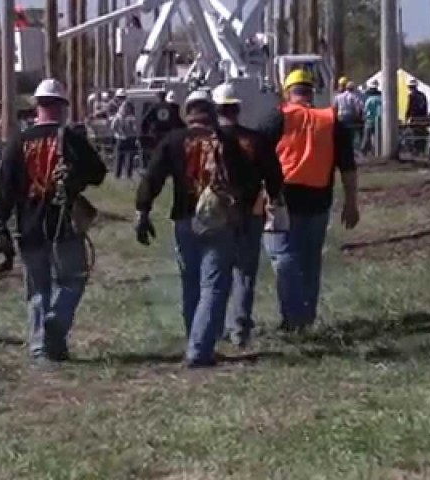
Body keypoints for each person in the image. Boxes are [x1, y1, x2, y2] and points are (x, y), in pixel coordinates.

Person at [135, 89, 253, 368]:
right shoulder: (226, 141)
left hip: (184, 219)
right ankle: (200, 349)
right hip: (218, 220)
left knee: (191, 284)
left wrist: (143, 211)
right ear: (211, 112)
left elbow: (152, 178)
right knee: (213, 286)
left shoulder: (173, 140)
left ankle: (196, 340)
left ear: (187, 113)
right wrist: (241, 211)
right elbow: (247, 180)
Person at [0, 78, 107, 364]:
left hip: (29, 226)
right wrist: (76, 178)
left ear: (37, 106)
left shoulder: (19, 142)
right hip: (64, 225)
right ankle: (56, 320)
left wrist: (0, 220)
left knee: (38, 289)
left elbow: (5, 187)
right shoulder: (71, 138)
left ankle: (41, 349)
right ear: (62, 107)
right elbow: (99, 173)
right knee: (73, 279)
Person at [259, 69, 360, 332]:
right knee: (310, 261)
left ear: (287, 92)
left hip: (282, 200)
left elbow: (255, 154)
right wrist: (351, 202)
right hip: (318, 201)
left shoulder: (278, 117)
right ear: (311, 92)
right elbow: (348, 167)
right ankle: (306, 318)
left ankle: (294, 319)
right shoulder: (331, 120)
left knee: (283, 257)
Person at [211, 83, 284, 348]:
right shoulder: (255, 140)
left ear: (216, 109)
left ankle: (213, 327)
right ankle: (239, 329)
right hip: (250, 212)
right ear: (238, 108)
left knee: (216, 273)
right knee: (244, 272)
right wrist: (275, 199)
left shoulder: (209, 140)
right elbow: (273, 175)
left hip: (217, 215)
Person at [140, 90, 185, 168]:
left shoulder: (155, 107)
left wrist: (144, 131)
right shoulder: (176, 108)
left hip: (157, 134)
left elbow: (146, 120)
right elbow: (181, 122)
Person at [110, 92, 140, 179]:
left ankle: (120, 174)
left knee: (122, 157)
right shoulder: (129, 117)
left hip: (122, 138)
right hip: (127, 138)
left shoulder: (119, 117)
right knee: (126, 156)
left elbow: (113, 127)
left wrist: (118, 132)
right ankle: (126, 174)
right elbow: (135, 129)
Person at [405, 78, 430, 156]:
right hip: (423, 118)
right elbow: (425, 108)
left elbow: (409, 108)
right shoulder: (423, 95)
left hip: (415, 119)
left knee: (415, 135)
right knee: (422, 134)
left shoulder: (411, 96)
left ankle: (416, 151)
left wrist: (407, 117)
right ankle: (422, 151)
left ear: (410, 87)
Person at [361, 80, 383, 156]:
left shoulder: (368, 99)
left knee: (366, 137)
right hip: (379, 120)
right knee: (377, 137)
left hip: (369, 120)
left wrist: (363, 117)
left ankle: (364, 151)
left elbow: (365, 110)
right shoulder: (381, 97)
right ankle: (377, 151)